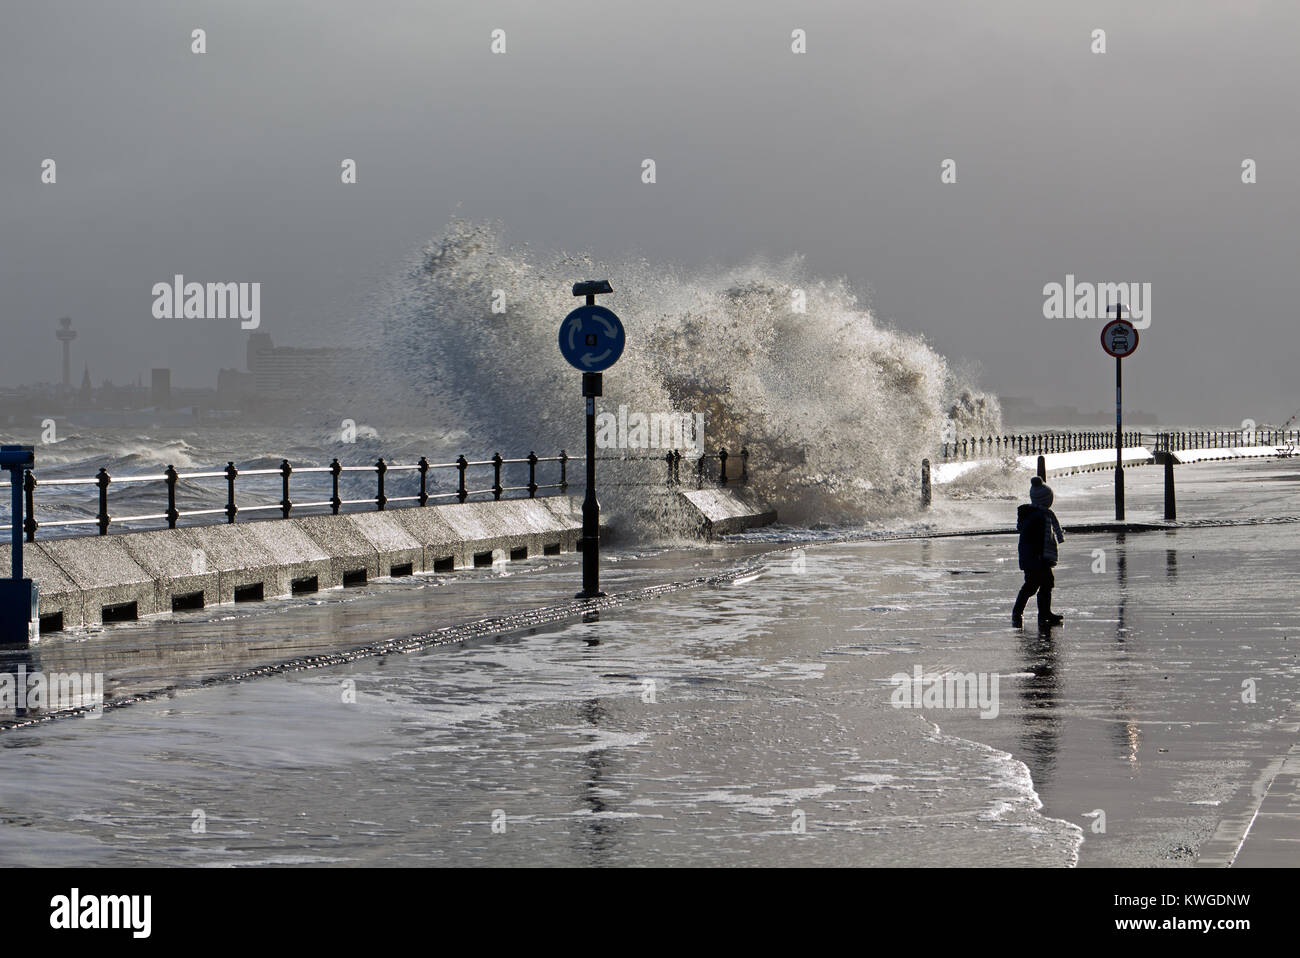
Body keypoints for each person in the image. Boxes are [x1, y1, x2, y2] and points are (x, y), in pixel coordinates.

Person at [1013, 476, 1065, 628]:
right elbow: (1034, 540)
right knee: (1032, 585)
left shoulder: (1041, 515)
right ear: (1045, 500)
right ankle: (1018, 611)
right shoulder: (1037, 517)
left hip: (1039, 557)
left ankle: (1045, 612)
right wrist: (1038, 556)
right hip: (1035, 558)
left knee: (1046, 583)